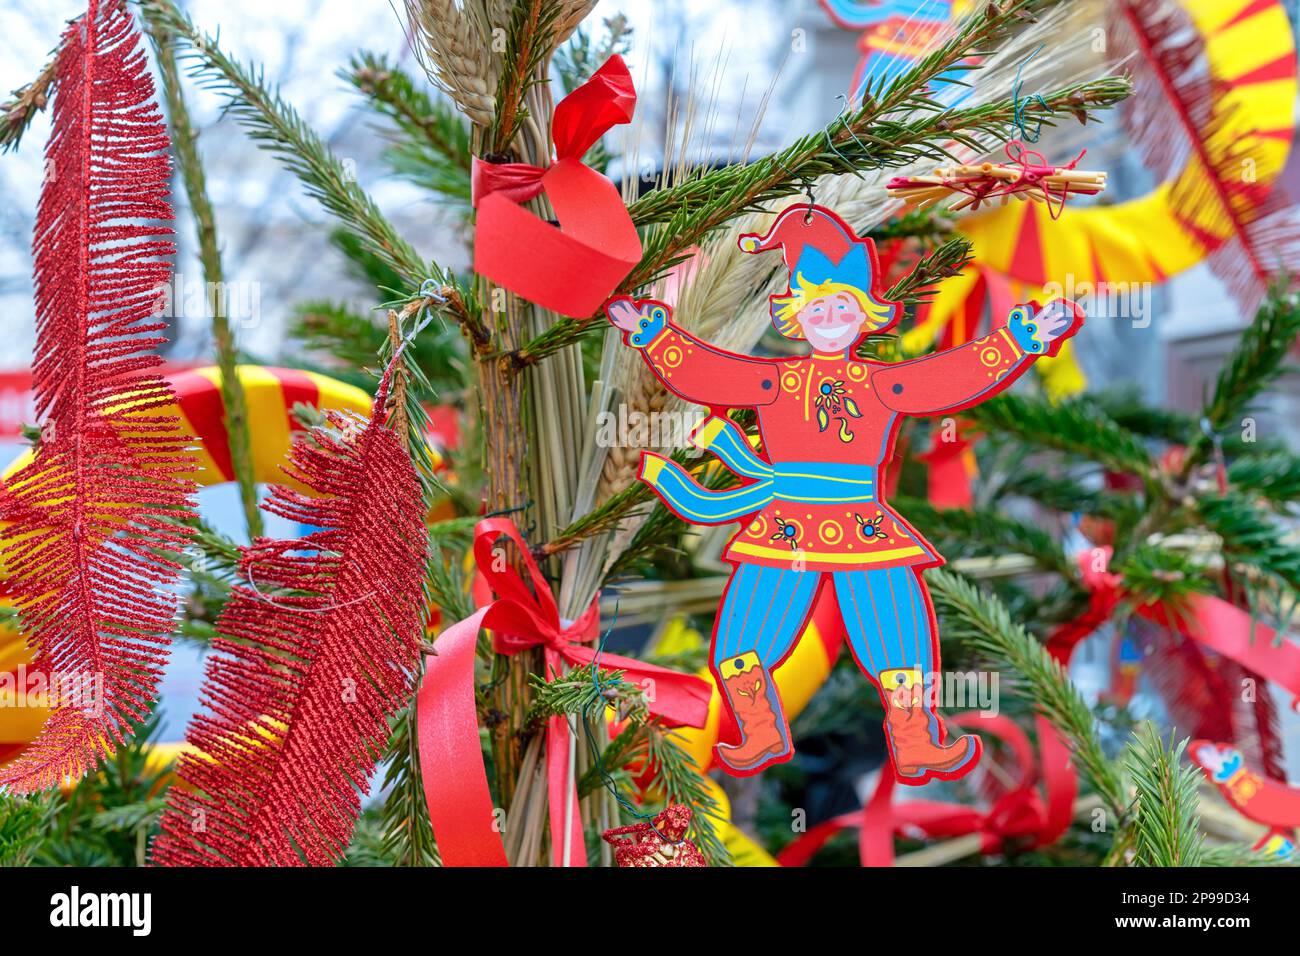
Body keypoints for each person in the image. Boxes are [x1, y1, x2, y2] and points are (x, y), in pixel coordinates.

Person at [604, 203, 1084, 781]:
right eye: (818, 306)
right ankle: (758, 728)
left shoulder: (883, 384)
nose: (830, 316)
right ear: (797, 317)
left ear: (865, 315)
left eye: (842, 305)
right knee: (744, 636)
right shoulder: (774, 379)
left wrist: (1022, 337)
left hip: (861, 523)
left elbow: (949, 377)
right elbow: (707, 373)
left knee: (897, 628)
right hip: (787, 524)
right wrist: (654, 334)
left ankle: (915, 738)